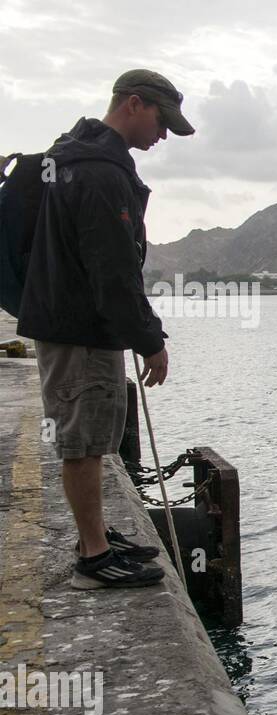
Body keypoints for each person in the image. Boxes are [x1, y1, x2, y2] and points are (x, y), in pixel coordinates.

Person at [17, 69, 195, 589]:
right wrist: (150, 340)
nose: (163, 135)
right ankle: (93, 561)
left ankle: (92, 537)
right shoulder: (100, 173)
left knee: (92, 438)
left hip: (72, 324)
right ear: (134, 105)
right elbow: (113, 272)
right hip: (81, 330)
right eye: (162, 121)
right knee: (84, 441)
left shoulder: (77, 159)